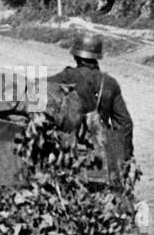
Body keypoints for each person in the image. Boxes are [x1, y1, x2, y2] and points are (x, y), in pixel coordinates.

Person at [46, 33, 134, 162]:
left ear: (76, 56)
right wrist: (123, 157)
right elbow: (124, 124)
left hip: (66, 147)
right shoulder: (110, 83)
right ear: (97, 57)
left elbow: (35, 89)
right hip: (98, 147)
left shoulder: (66, 77)